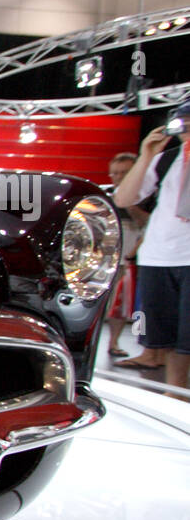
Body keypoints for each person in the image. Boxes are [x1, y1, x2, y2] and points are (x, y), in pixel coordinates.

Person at [112, 103, 190, 389]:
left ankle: (181, 394)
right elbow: (123, 198)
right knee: (164, 336)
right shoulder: (167, 159)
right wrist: (146, 156)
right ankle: (176, 393)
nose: (185, 127)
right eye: (182, 121)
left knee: (187, 338)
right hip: (158, 257)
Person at [104, 151, 145, 358]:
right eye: (115, 173)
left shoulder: (146, 196)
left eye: (124, 173)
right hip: (105, 260)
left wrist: (128, 202)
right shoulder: (103, 197)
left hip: (130, 260)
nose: (118, 177)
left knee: (123, 306)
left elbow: (146, 225)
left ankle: (114, 343)